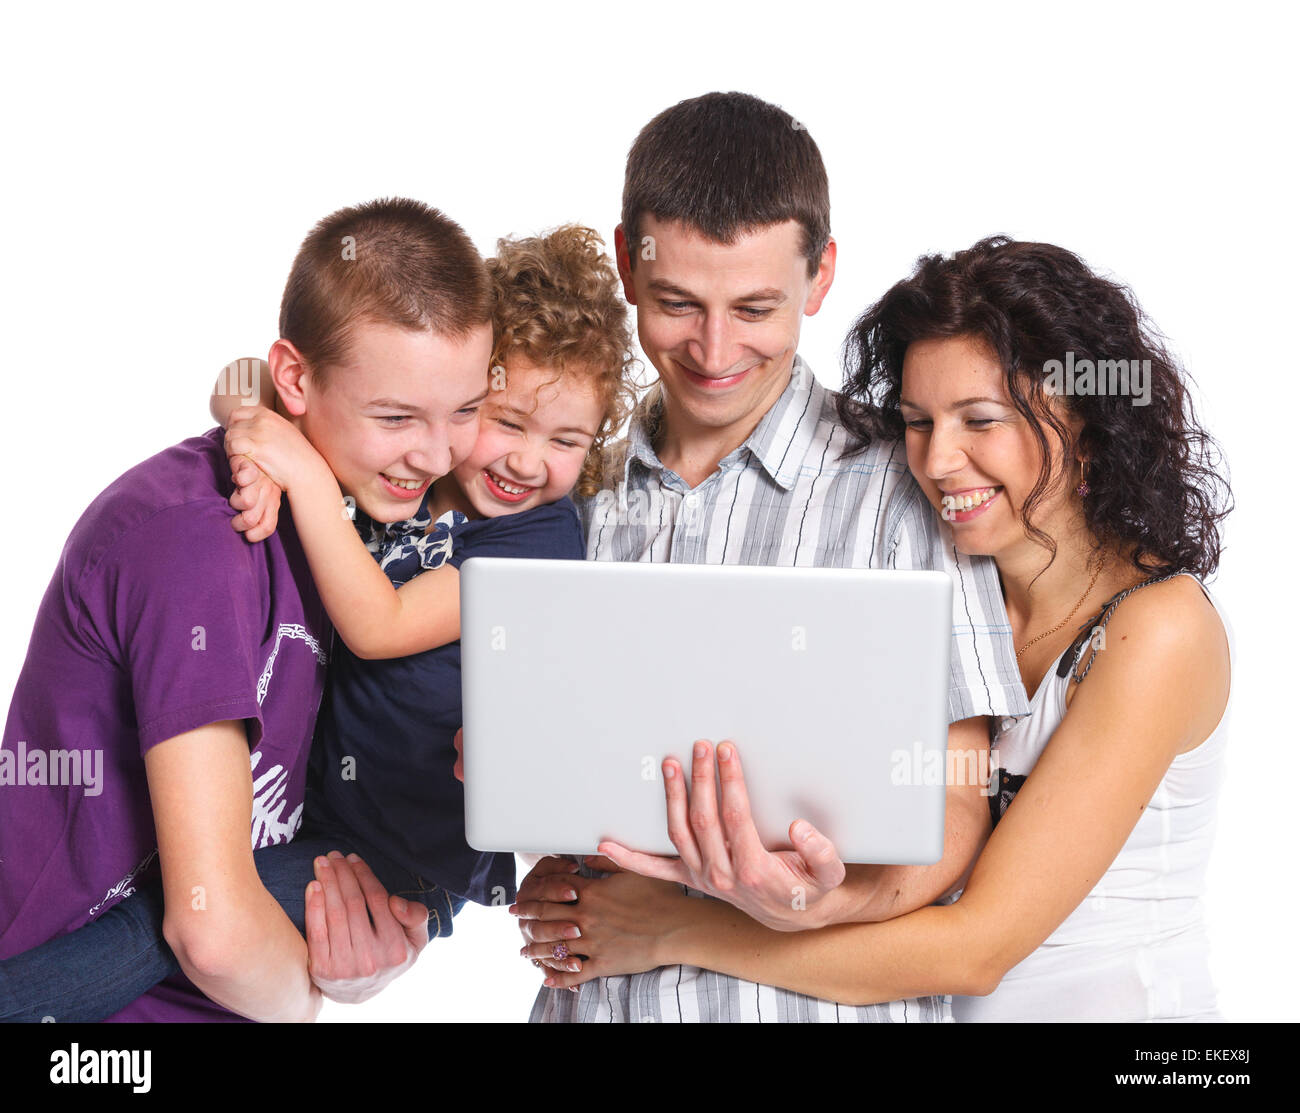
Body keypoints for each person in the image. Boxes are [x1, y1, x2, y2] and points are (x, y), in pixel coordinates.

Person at [517, 236, 1233, 1022]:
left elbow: (974, 949)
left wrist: (676, 929)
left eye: (980, 419)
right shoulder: (961, 593)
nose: (939, 460)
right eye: (919, 421)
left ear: (1081, 417)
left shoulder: (1157, 629)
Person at [509, 91, 1029, 1023]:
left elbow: (960, 808)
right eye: (676, 304)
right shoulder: (568, 482)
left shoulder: (907, 483)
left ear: (820, 277)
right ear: (628, 264)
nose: (714, 350)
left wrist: (819, 903)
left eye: (755, 307)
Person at [0, 196, 493, 1021]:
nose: (437, 455)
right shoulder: (198, 541)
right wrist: (308, 996)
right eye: (397, 416)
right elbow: (214, 930)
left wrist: (356, 957)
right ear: (297, 380)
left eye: (467, 411)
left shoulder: (364, 523)